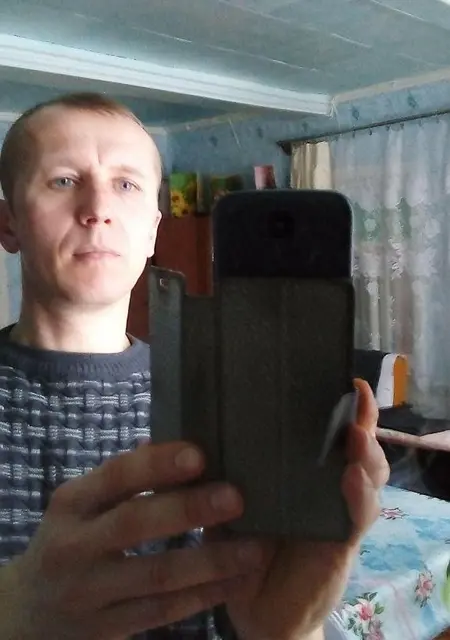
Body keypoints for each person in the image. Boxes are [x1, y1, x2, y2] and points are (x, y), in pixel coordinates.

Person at [0, 92, 389, 640]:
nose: (97, 208)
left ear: (154, 230)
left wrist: (285, 631)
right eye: (63, 180)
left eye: (126, 184)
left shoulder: (217, 396)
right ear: (9, 223)